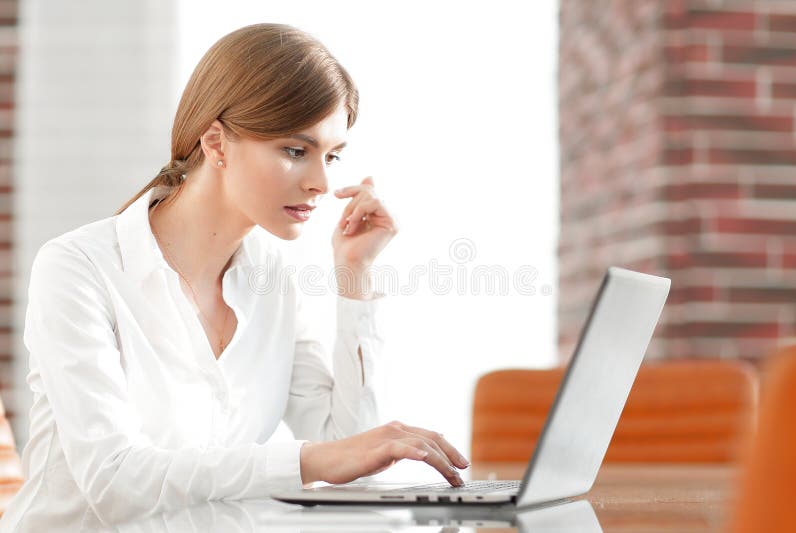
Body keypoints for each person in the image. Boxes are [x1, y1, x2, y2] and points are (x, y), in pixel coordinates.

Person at [0, 23, 469, 531]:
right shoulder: (78, 269)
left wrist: (355, 276)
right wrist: (305, 462)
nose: (321, 182)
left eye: (332, 156)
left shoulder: (272, 282)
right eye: (296, 151)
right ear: (216, 142)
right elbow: (115, 484)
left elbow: (346, 452)